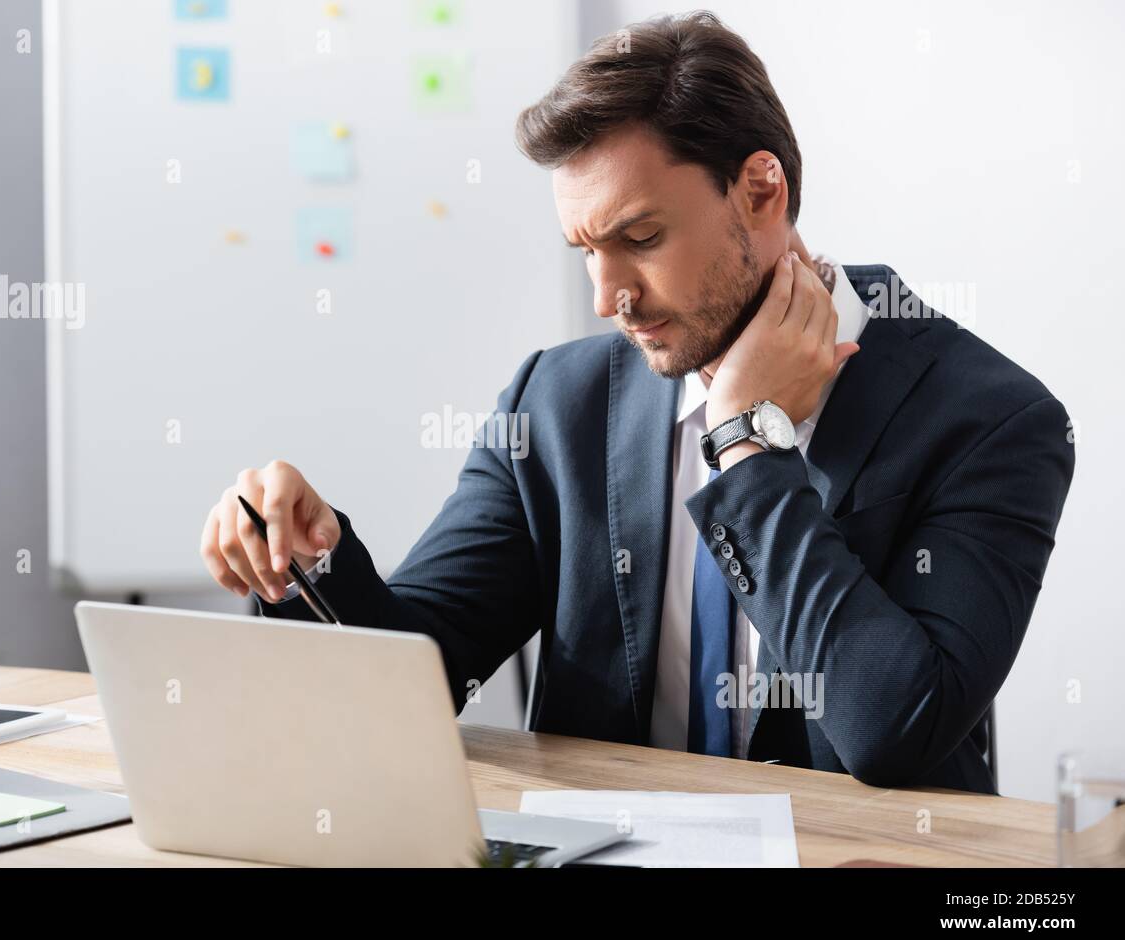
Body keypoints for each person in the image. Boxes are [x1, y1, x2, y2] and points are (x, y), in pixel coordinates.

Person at [199, 11, 1073, 793]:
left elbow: (894, 729)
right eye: (585, 249)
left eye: (641, 238)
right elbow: (421, 671)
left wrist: (746, 441)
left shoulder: (991, 419)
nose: (607, 295)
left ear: (762, 193)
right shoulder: (557, 401)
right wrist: (308, 556)